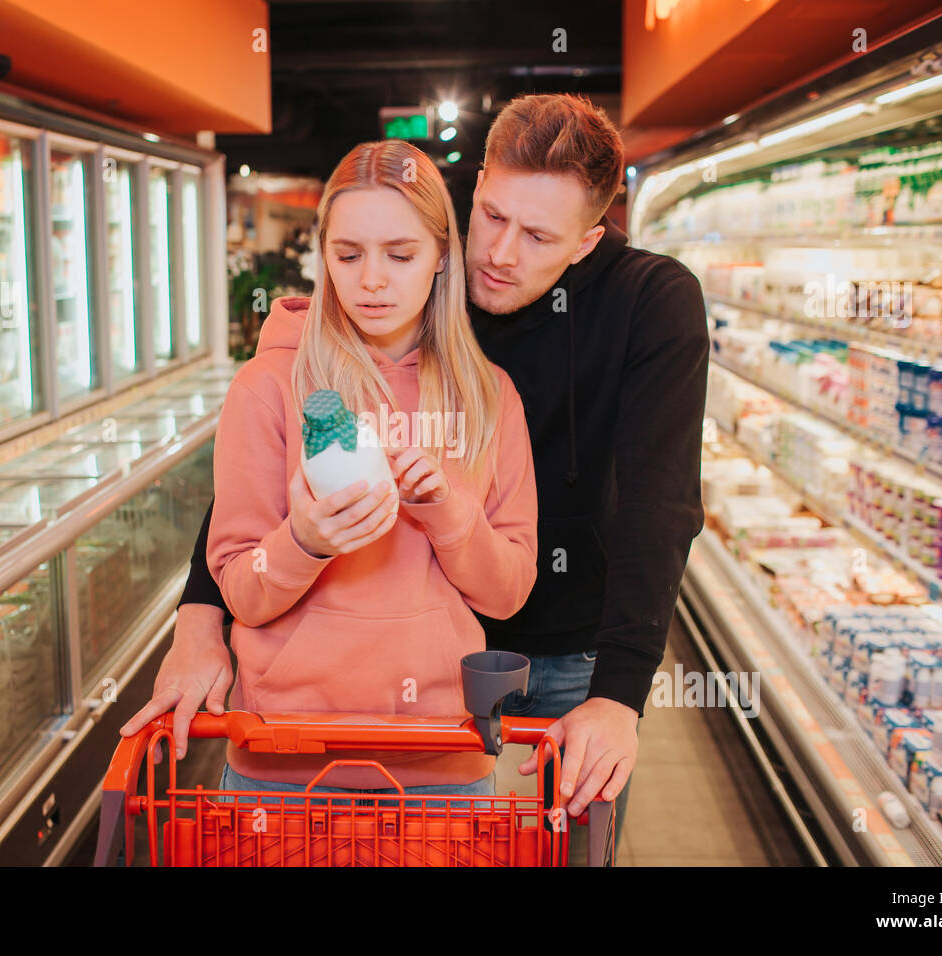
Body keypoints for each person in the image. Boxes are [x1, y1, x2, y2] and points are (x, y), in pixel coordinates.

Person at [124, 94, 708, 835]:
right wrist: (200, 617)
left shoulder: (648, 305)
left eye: (537, 236)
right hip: (374, 701)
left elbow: (661, 507)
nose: (499, 253)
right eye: (491, 217)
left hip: (565, 656)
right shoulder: (414, 272)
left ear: (588, 242)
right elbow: (276, 461)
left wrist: (620, 697)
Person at [149, 137, 538, 803]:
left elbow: (508, 594)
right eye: (348, 255)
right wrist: (305, 542)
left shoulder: (488, 395)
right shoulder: (268, 387)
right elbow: (241, 589)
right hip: (283, 761)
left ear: (443, 253)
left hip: (443, 757)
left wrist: (447, 514)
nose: (373, 280)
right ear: (322, 256)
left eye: (401, 254)